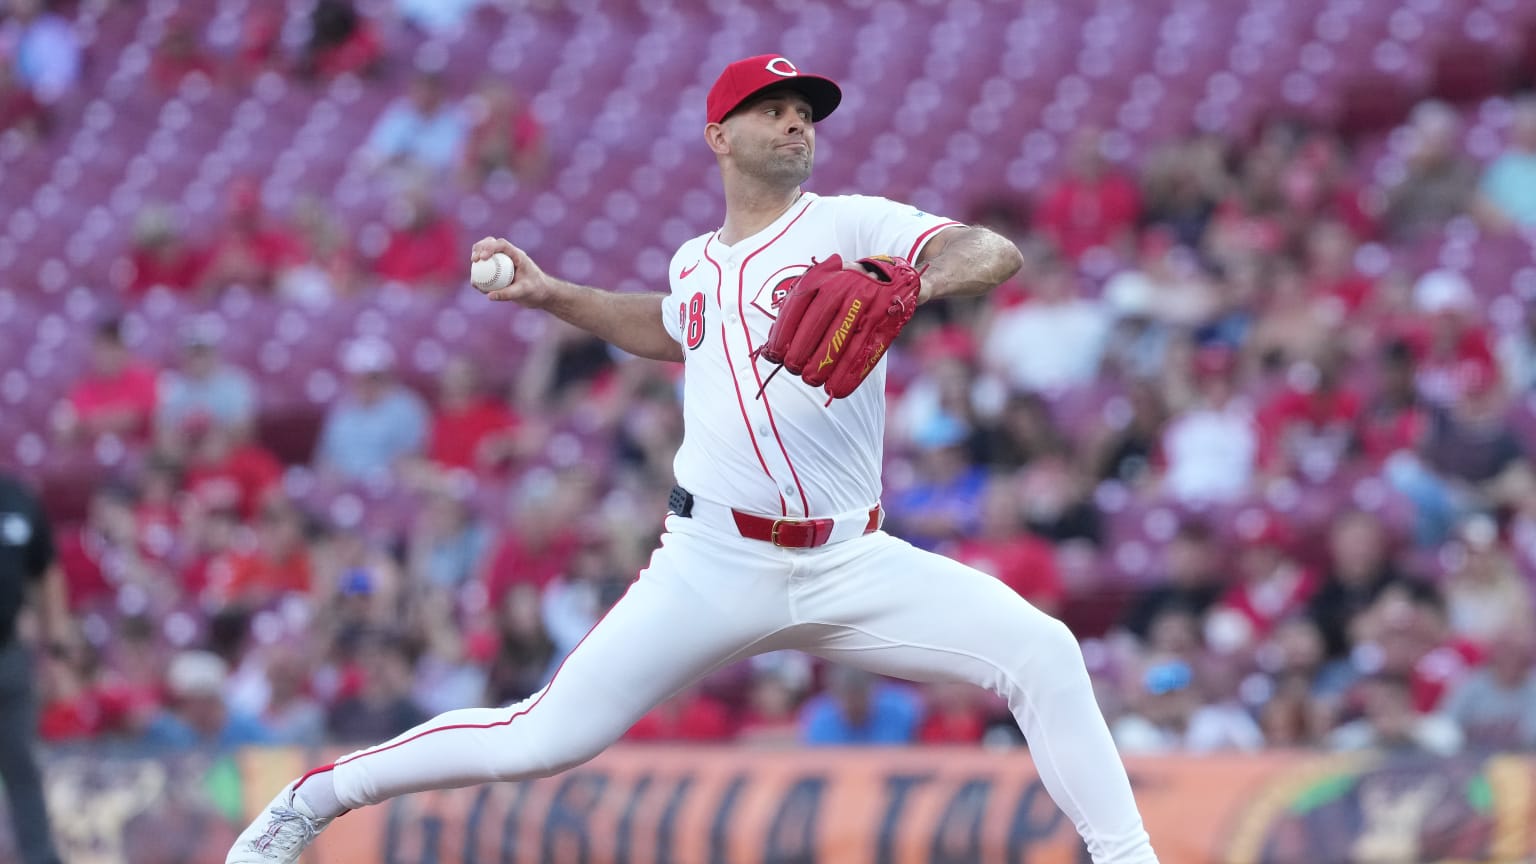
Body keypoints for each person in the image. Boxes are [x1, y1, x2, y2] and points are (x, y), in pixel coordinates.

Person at [227, 53, 1160, 864]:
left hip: (850, 559)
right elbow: (671, 326)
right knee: (542, 737)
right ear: (719, 135)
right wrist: (554, 295)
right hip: (715, 561)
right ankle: (311, 801)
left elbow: (988, 250)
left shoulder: (849, 224)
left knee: (1042, 649)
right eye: (773, 109)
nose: (796, 123)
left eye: (806, 113)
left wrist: (910, 275)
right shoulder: (695, 264)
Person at [0, 472, 72, 864]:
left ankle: (40, 858)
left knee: (22, 764)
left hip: (8, 653)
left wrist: (56, 646)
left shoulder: (17, 501)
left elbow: (46, 571)